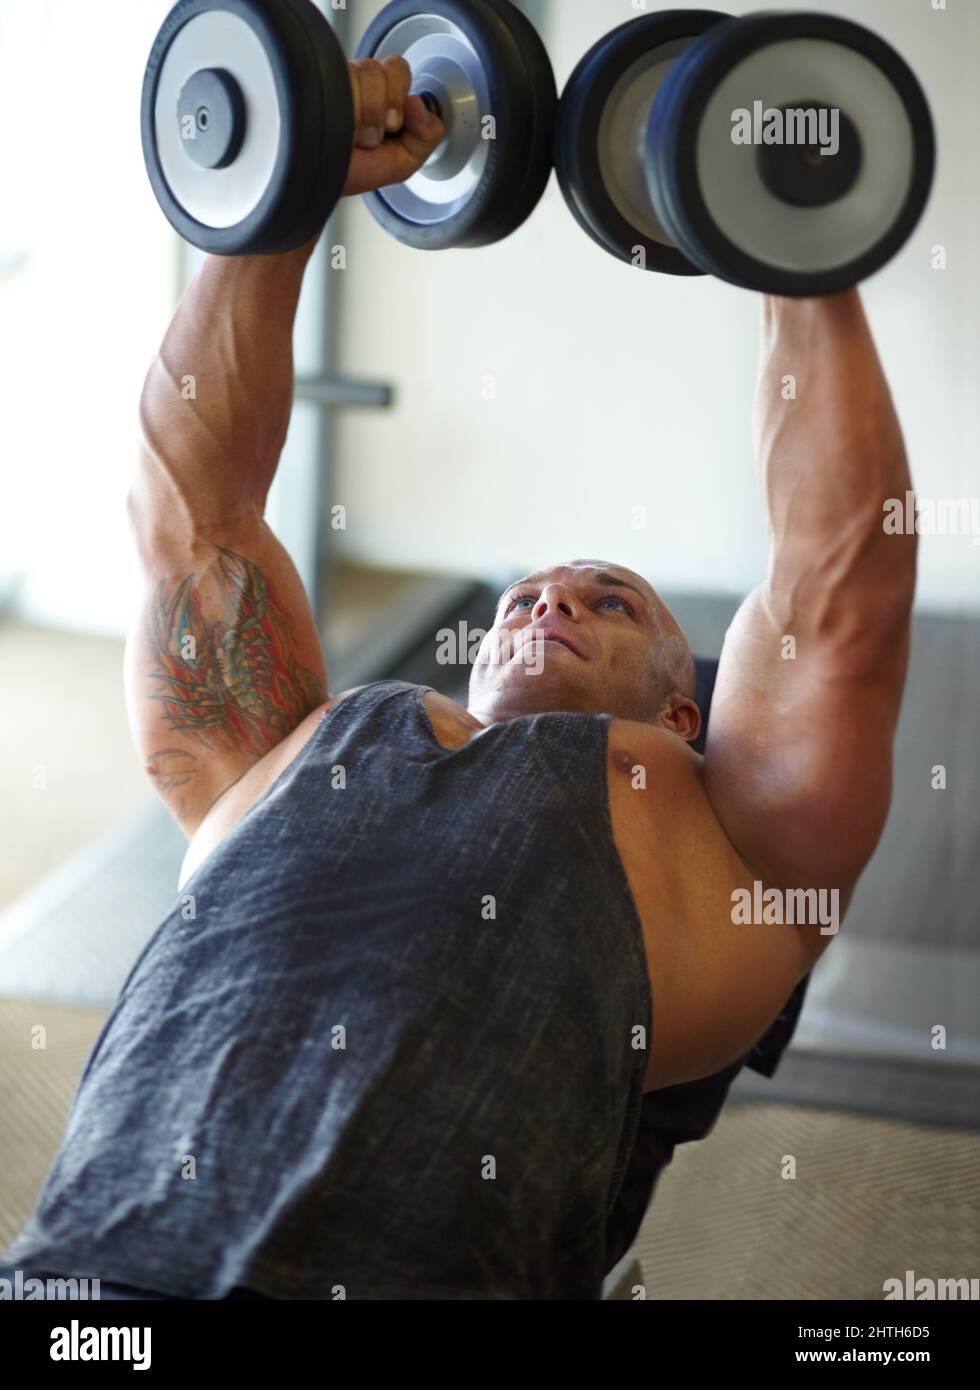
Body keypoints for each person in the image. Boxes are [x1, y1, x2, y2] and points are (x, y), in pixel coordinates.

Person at [1, 58, 916, 1301]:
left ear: (684, 712)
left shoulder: (726, 846)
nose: (551, 602)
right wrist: (284, 187)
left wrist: (784, 242)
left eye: (610, 601)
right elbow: (191, 517)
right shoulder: (287, 746)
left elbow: (836, 589)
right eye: (525, 598)